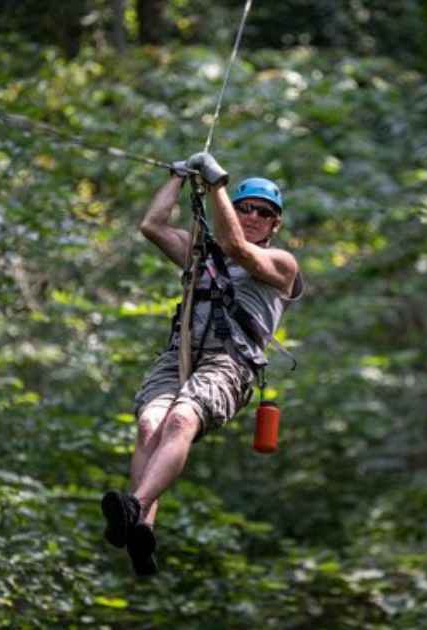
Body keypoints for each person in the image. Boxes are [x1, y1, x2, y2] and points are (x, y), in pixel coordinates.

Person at [100, 152, 304, 575]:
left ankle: (135, 507)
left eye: (262, 212)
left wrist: (217, 185)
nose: (251, 216)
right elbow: (152, 226)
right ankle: (144, 532)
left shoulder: (281, 264)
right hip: (180, 355)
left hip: (230, 362)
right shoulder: (202, 257)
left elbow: (236, 247)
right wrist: (177, 178)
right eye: (245, 207)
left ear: (274, 224)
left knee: (179, 421)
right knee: (149, 425)